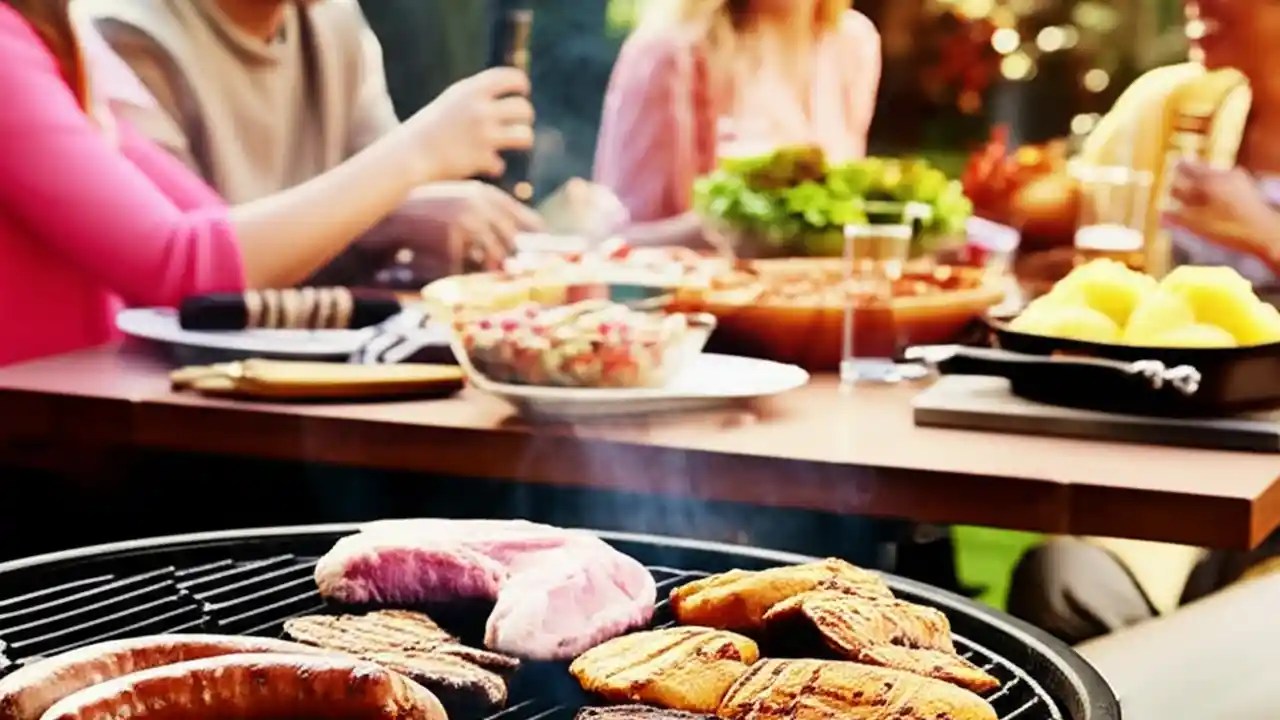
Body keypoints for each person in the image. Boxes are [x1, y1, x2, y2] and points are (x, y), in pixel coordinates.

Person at [0, 0, 533, 366]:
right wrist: (420, 152)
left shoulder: (48, 33)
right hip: (46, 452)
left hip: (89, 425)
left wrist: (402, 207)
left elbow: (214, 236)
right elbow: (182, 266)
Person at [1009, 0, 1280, 645]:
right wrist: (1019, 213)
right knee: (1062, 578)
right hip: (1165, 450)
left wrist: (1264, 233)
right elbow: (1080, 216)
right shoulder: (1169, 104)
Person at [83, 0, 541, 285]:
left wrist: (423, 215)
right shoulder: (128, 34)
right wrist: (420, 153)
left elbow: (380, 197)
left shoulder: (331, 20)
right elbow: (195, 267)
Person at [592, 0, 882, 246]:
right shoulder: (669, 55)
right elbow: (618, 245)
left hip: (817, 302)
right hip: (697, 307)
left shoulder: (852, 44)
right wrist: (735, 226)